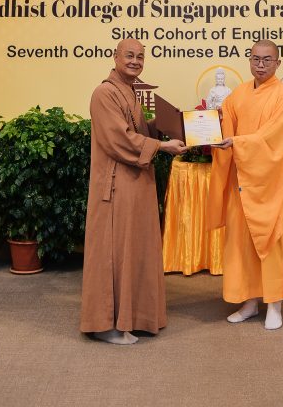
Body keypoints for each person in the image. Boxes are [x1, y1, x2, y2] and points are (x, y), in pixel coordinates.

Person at [80, 38, 186, 345]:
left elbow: (136, 132)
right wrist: (161, 145)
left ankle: (134, 317)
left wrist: (164, 125)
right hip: (116, 187)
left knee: (134, 251)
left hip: (135, 185)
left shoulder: (129, 92)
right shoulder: (104, 93)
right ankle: (106, 325)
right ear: (114, 57)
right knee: (115, 252)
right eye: (129, 55)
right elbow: (119, 139)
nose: (135, 61)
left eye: (140, 56)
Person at [206, 40, 283, 330]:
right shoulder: (239, 94)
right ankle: (248, 301)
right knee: (241, 243)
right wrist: (206, 129)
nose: (260, 64)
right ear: (249, 60)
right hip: (240, 180)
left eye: (267, 60)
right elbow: (226, 124)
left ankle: (274, 304)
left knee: (272, 241)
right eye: (255, 59)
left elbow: (276, 138)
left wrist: (238, 143)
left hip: (270, 181)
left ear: (278, 63)